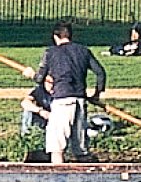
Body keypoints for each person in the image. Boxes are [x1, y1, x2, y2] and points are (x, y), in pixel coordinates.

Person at [24, 22, 105, 164]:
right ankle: (89, 179)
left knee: (56, 147)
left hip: (61, 102)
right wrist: (97, 94)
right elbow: (100, 73)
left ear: (56, 37)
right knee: (80, 148)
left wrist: (30, 74)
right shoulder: (83, 51)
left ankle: (58, 181)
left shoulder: (50, 53)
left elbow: (39, 79)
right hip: (80, 102)